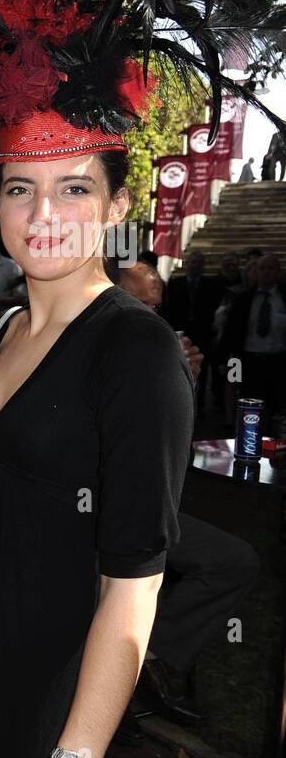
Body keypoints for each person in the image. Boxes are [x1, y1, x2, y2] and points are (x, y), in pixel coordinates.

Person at [0, 0, 275, 758]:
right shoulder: (0, 326)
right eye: (20, 188)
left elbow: (133, 591)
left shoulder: (133, 352)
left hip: (46, 709)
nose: (42, 214)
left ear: (120, 203)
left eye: (73, 189)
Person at [115, 262, 260, 724]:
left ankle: (145, 664)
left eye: (157, 303)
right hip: (109, 507)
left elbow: (167, 437)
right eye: (143, 298)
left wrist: (184, 381)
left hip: (148, 500)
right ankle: (136, 669)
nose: (154, 306)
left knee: (228, 559)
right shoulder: (107, 342)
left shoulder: (150, 342)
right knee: (229, 560)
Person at [219, 253, 286, 428]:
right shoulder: (244, 299)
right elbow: (231, 330)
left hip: (278, 361)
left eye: (271, 269)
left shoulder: (283, 298)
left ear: (279, 272)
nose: (266, 273)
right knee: (251, 409)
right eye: (262, 268)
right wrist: (222, 358)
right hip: (249, 362)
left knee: (277, 410)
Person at [161, 251, 224, 413]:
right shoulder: (175, 283)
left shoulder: (212, 285)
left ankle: (199, 404)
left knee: (202, 370)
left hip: (203, 333)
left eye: (198, 262)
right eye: (192, 262)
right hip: (180, 332)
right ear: (187, 264)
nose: (195, 265)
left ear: (203, 265)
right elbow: (169, 309)